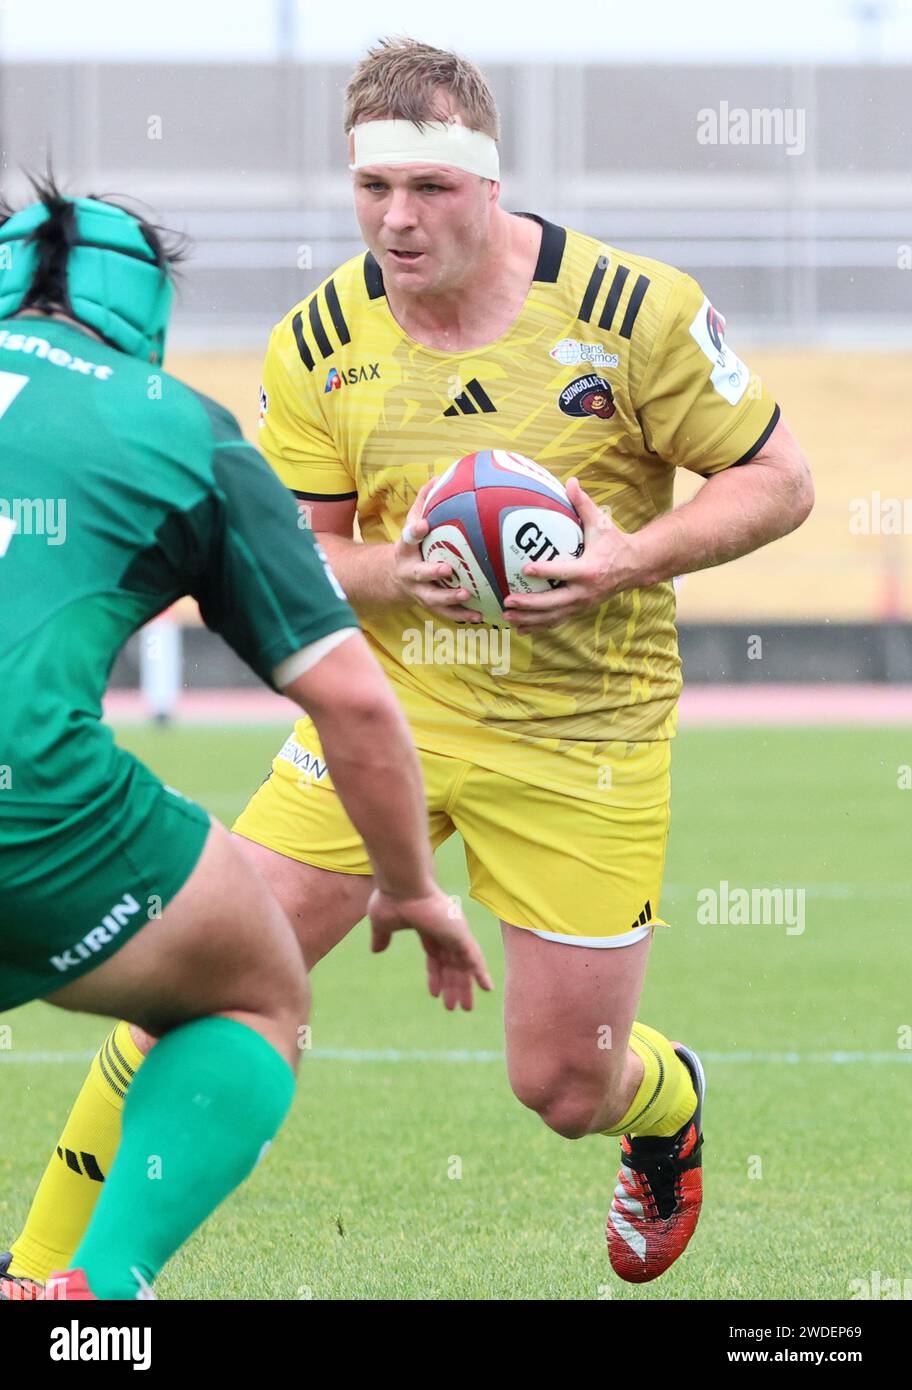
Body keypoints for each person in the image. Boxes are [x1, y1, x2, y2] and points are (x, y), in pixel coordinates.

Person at [5, 35, 814, 1294]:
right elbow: (305, 558)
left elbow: (782, 481)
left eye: (430, 188)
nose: (399, 217)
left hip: (584, 736)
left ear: (490, 184)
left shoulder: (632, 313)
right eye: (374, 188)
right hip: (385, 711)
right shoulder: (322, 339)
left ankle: (665, 1102)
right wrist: (403, 573)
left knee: (563, 1082)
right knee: (193, 974)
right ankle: (45, 1275)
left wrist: (626, 557)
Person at [0, 175, 489, 1301]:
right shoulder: (183, 433)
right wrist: (411, 888)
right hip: (33, 815)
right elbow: (358, 705)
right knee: (253, 991)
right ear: (145, 310)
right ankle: (97, 1295)